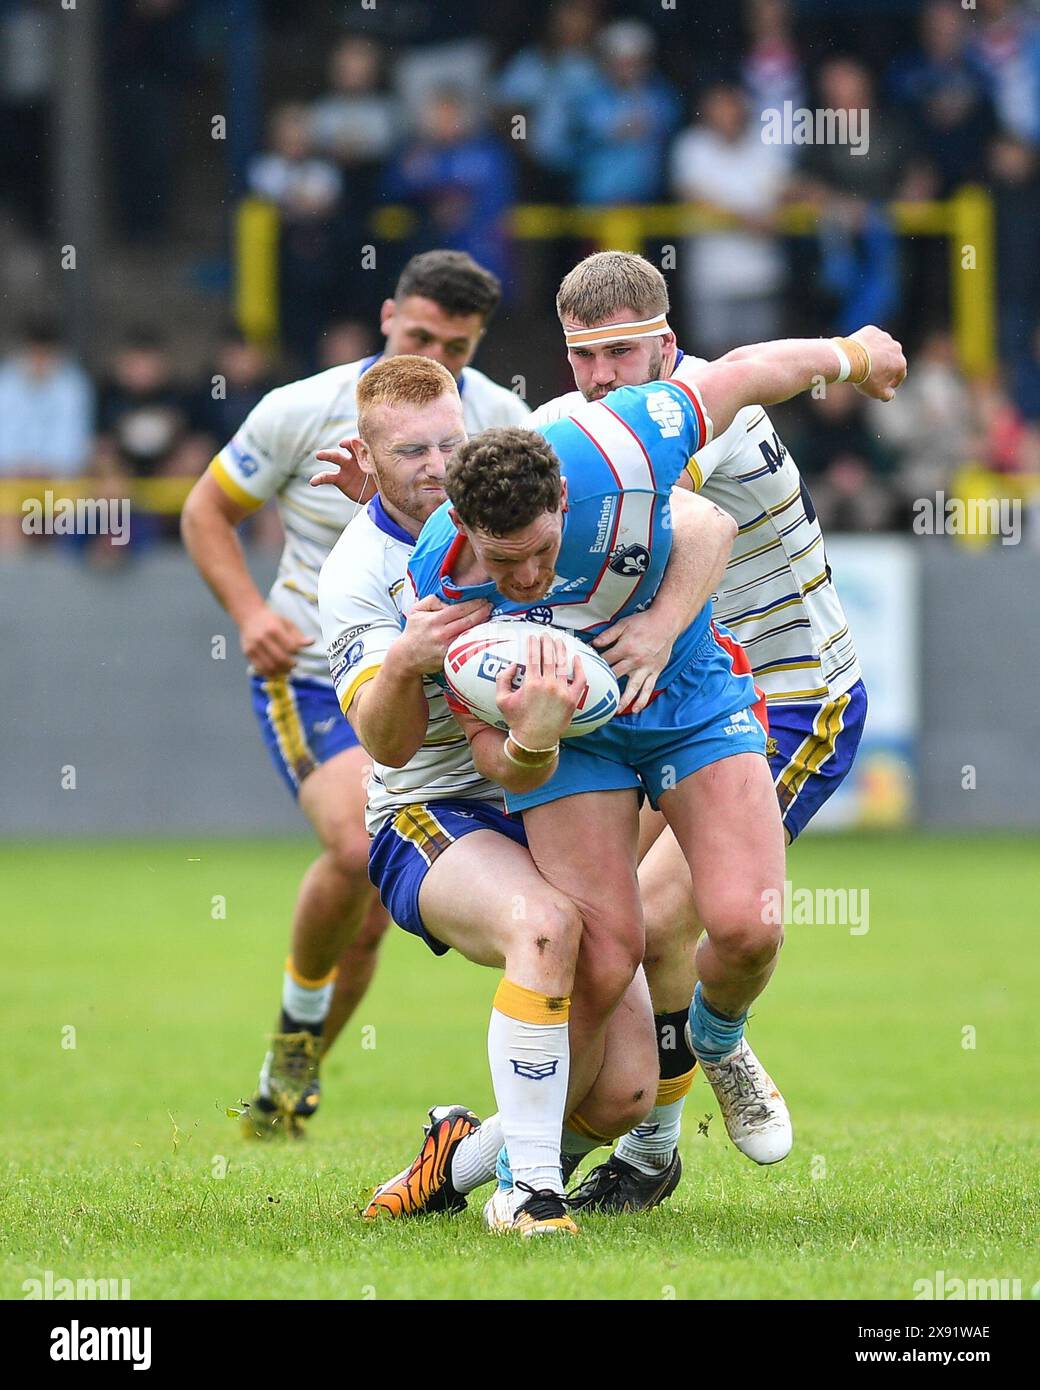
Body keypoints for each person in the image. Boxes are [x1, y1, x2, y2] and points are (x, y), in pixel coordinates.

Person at [403, 317, 905, 1228]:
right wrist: (534, 739)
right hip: (576, 742)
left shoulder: (622, 442)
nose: (527, 578)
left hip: (692, 697)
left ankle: (716, 1038)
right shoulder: (439, 577)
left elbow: (748, 376)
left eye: (543, 551)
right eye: (505, 562)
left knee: (748, 927)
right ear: (465, 528)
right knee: (606, 958)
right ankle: (525, 1180)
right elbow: (486, 755)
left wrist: (856, 356)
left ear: (564, 497)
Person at [317, 355, 738, 1235]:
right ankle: (527, 1194)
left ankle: (457, 1162)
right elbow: (385, 746)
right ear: (368, 454)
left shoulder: (530, 508)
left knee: (622, 1094)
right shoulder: (359, 571)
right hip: (434, 808)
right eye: (410, 453)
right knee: (542, 925)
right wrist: (404, 660)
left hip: (548, 788)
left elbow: (697, 514)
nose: (436, 466)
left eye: (448, 443)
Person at [524, 252, 878, 1208]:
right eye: (583, 356)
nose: (601, 376)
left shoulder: (703, 418)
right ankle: (622, 1153)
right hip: (673, 699)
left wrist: (852, 354)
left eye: (621, 353)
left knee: (712, 929)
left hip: (791, 699)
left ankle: (716, 1044)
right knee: (611, 930)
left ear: (667, 346)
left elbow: (671, 511)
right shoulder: (588, 423)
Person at [180, 251, 530, 1140]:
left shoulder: (502, 420)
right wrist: (251, 612)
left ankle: (288, 1075)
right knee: (352, 847)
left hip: (455, 686)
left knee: (371, 920)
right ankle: (298, 1037)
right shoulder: (301, 409)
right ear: (386, 317)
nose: (436, 356)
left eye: (457, 346)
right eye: (420, 335)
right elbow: (205, 511)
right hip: (313, 672)